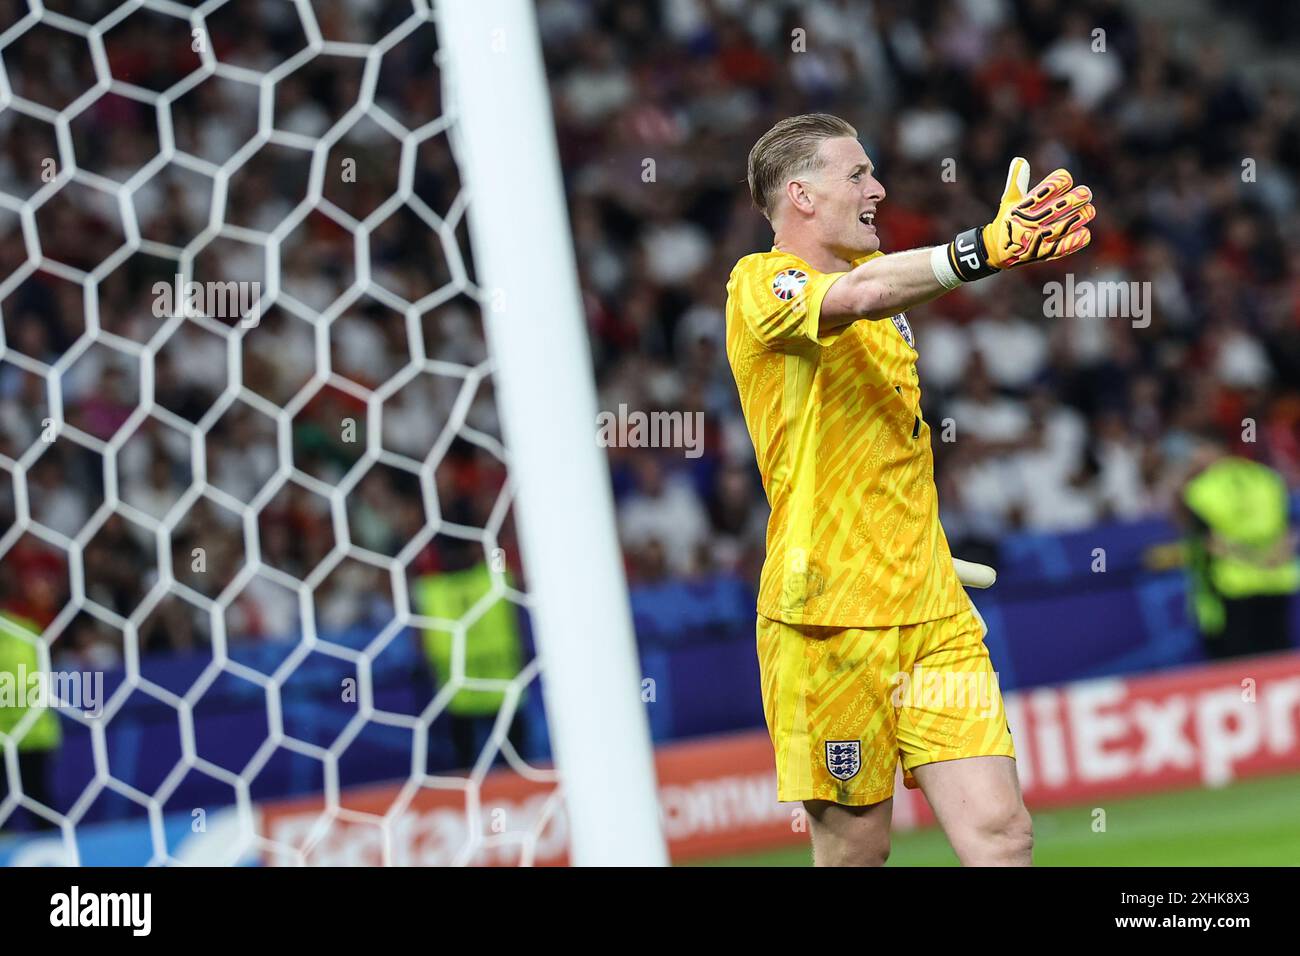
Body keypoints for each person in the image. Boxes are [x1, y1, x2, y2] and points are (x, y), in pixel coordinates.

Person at [725, 113, 1095, 866]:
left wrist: (912, 547)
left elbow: (876, 452)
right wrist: (983, 248)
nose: (878, 189)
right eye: (857, 174)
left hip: (931, 615)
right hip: (827, 622)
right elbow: (856, 295)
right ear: (800, 194)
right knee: (858, 851)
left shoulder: (890, 309)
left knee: (1001, 834)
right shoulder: (760, 285)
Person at [1176, 436, 1298, 659]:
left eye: (1198, 450)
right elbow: (1289, 530)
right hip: (1277, 578)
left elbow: (1210, 542)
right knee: (1276, 655)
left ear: (1214, 449)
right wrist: (1270, 559)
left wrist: (1251, 559)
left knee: (1238, 663)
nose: (1193, 458)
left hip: (1232, 585)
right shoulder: (1267, 478)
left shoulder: (1202, 488)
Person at [0, 613, 62, 831]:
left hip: (30, 734)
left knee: (36, 801)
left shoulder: (26, 630)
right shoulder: (27, 628)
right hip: (35, 732)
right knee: (38, 802)